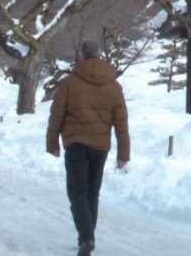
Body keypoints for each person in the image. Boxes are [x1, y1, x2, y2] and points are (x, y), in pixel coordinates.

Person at [46, 41, 130, 256]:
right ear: (100, 56)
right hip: (100, 146)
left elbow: (57, 115)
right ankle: (87, 236)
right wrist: (123, 154)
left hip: (75, 144)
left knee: (77, 192)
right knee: (92, 192)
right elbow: (121, 122)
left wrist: (52, 143)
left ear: (80, 57)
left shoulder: (69, 84)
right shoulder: (113, 86)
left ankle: (86, 237)